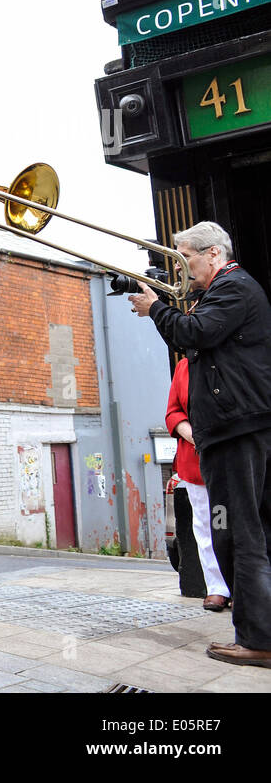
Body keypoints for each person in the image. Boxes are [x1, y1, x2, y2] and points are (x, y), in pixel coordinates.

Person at [129, 221, 271, 667]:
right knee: (250, 533)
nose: (183, 267)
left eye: (186, 257)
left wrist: (155, 309)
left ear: (213, 255)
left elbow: (194, 334)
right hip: (238, 428)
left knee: (239, 536)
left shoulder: (233, 288)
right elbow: (194, 331)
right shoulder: (226, 291)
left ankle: (257, 639)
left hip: (236, 430)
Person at [165, 356, 230, 611]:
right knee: (205, 525)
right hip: (195, 460)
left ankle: (240, 587)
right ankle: (216, 588)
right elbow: (173, 412)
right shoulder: (183, 367)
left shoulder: (233, 357)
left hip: (231, 457)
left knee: (232, 525)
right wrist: (194, 436)